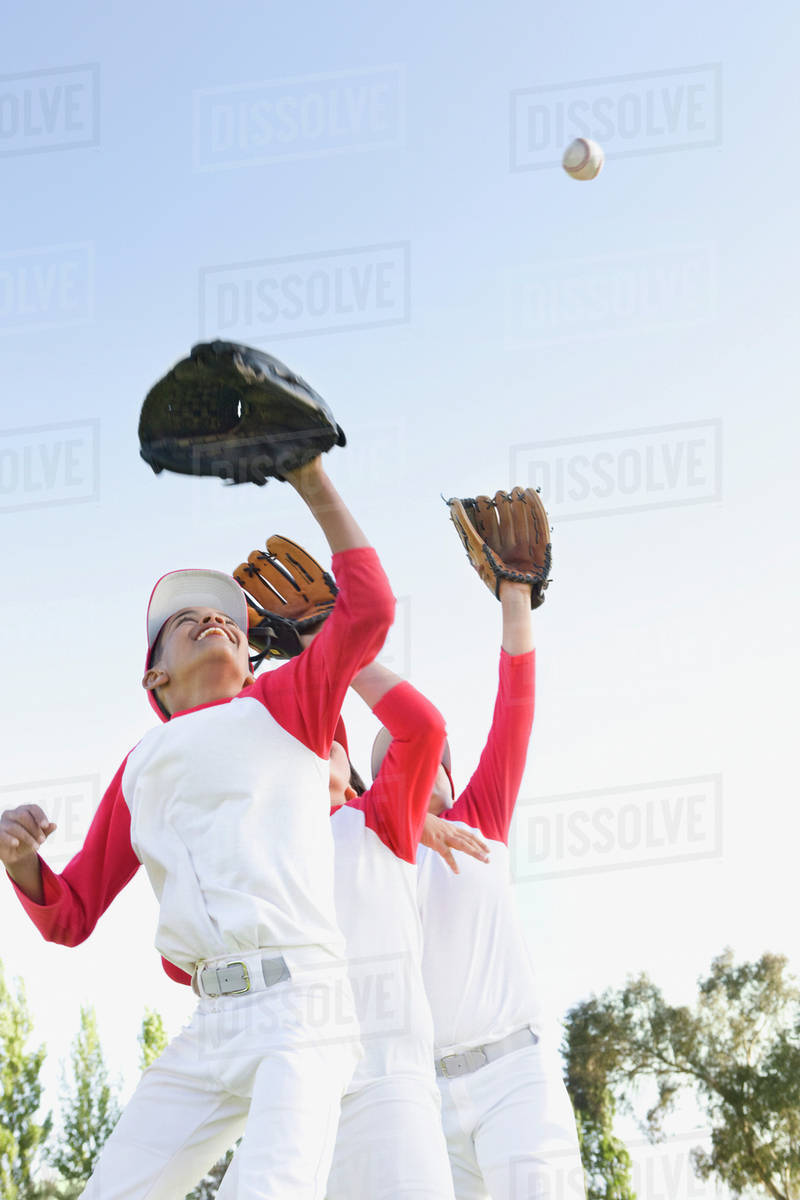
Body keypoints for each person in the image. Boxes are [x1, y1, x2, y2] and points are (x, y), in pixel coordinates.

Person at [0, 456, 396, 1200]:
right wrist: (19, 860)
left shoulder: (287, 705)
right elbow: (72, 913)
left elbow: (369, 613)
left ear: (251, 660)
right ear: (155, 679)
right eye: (187, 621)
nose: (215, 619)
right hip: (209, 1023)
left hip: (299, 1003)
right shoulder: (140, 764)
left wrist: (310, 478)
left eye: (230, 622)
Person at [414, 577, 586, 1200]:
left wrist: (516, 598)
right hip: (422, 1102)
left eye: (427, 755)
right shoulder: (364, 854)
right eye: (396, 758)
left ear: (450, 777)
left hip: (513, 1076)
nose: (414, 763)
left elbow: (515, 707)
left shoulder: (477, 815)